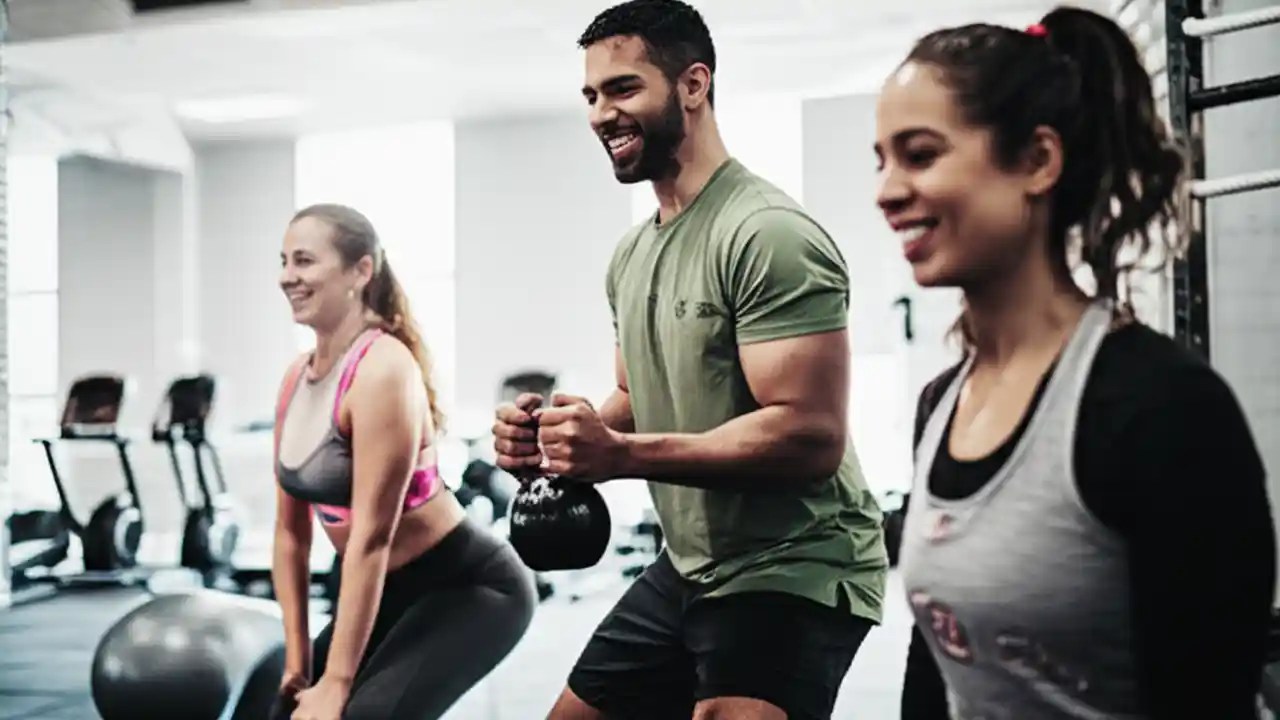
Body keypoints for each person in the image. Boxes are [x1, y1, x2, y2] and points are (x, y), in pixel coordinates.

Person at [873, 7, 1277, 719]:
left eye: (921, 154)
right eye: (882, 160)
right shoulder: (944, 403)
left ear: (1037, 161)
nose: (887, 190)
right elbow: (936, 663)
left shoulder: (1162, 408)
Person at [492, 2, 889, 718]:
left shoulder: (766, 233)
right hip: (693, 566)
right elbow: (635, 396)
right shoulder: (633, 253)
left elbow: (809, 436)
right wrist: (557, 440)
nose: (600, 114)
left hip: (795, 562)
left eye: (622, 89)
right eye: (590, 95)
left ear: (693, 85)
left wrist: (622, 454)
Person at [270, 203, 536, 720]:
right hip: (381, 589)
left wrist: (337, 682)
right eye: (283, 261)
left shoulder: (382, 369)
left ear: (360, 271)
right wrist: (299, 663)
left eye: (303, 261)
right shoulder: (294, 379)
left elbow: (372, 537)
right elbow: (290, 536)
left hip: (467, 586)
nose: (287, 277)